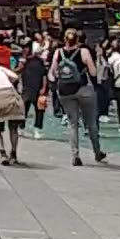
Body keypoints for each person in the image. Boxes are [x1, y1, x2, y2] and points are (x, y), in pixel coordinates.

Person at [51, 30, 106, 166]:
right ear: (78, 40)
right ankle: (97, 152)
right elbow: (93, 72)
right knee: (91, 123)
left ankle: (75, 155)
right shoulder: (83, 52)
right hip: (83, 89)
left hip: (65, 92)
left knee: (73, 124)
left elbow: (53, 72)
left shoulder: (58, 52)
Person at [19, 44, 48, 139]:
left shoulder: (39, 62)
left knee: (37, 110)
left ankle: (35, 129)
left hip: (34, 89)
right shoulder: (25, 61)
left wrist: (44, 87)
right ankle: (22, 128)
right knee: (26, 110)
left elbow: (44, 75)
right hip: (29, 88)